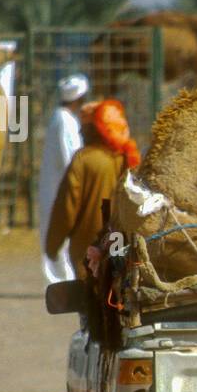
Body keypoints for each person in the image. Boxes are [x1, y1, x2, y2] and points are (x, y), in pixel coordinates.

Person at [45, 99, 140, 281]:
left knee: (91, 302)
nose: (80, 131)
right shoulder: (128, 160)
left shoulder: (83, 160)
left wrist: (52, 246)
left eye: (84, 126)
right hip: (123, 247)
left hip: (88, 251)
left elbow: (66, 209)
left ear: (94, 129)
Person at [39, 74, 90, 283]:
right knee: (58, 234)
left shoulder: (63, 118)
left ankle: (66, 279)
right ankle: (60, 281)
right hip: (59, 188)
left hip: (61, 186)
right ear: (80, 99)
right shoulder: (63, 121)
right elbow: (69, 157)